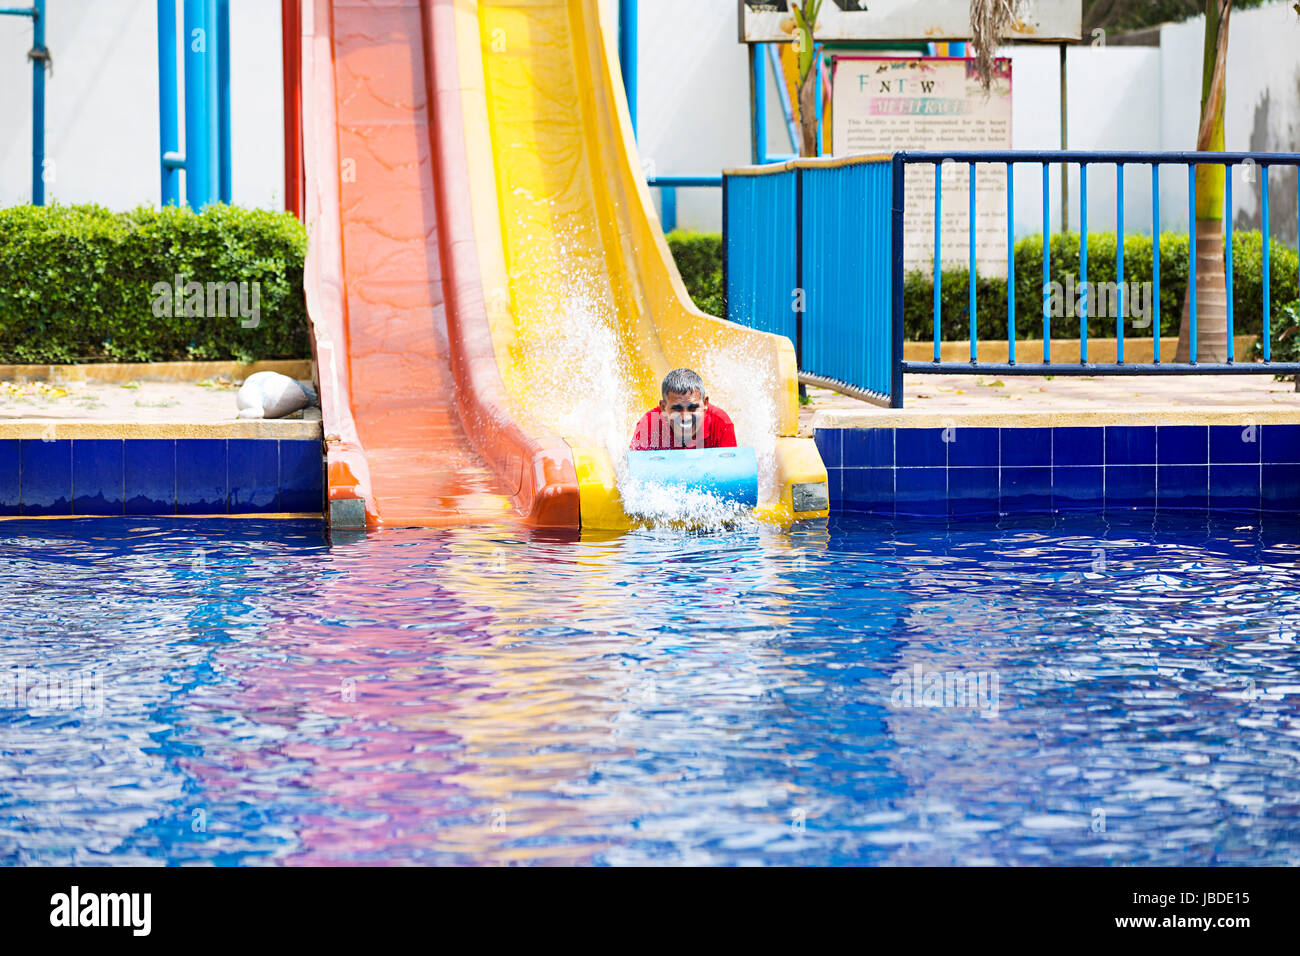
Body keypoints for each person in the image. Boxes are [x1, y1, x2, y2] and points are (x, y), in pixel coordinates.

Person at [629, 368, 737, 450]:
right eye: (677, 409)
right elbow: (631, 472)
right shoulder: (649, 425)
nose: (685, 417)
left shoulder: (721, 424)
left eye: (693, 408)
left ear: (705, 404)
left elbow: (732, 472)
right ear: (663, 408)